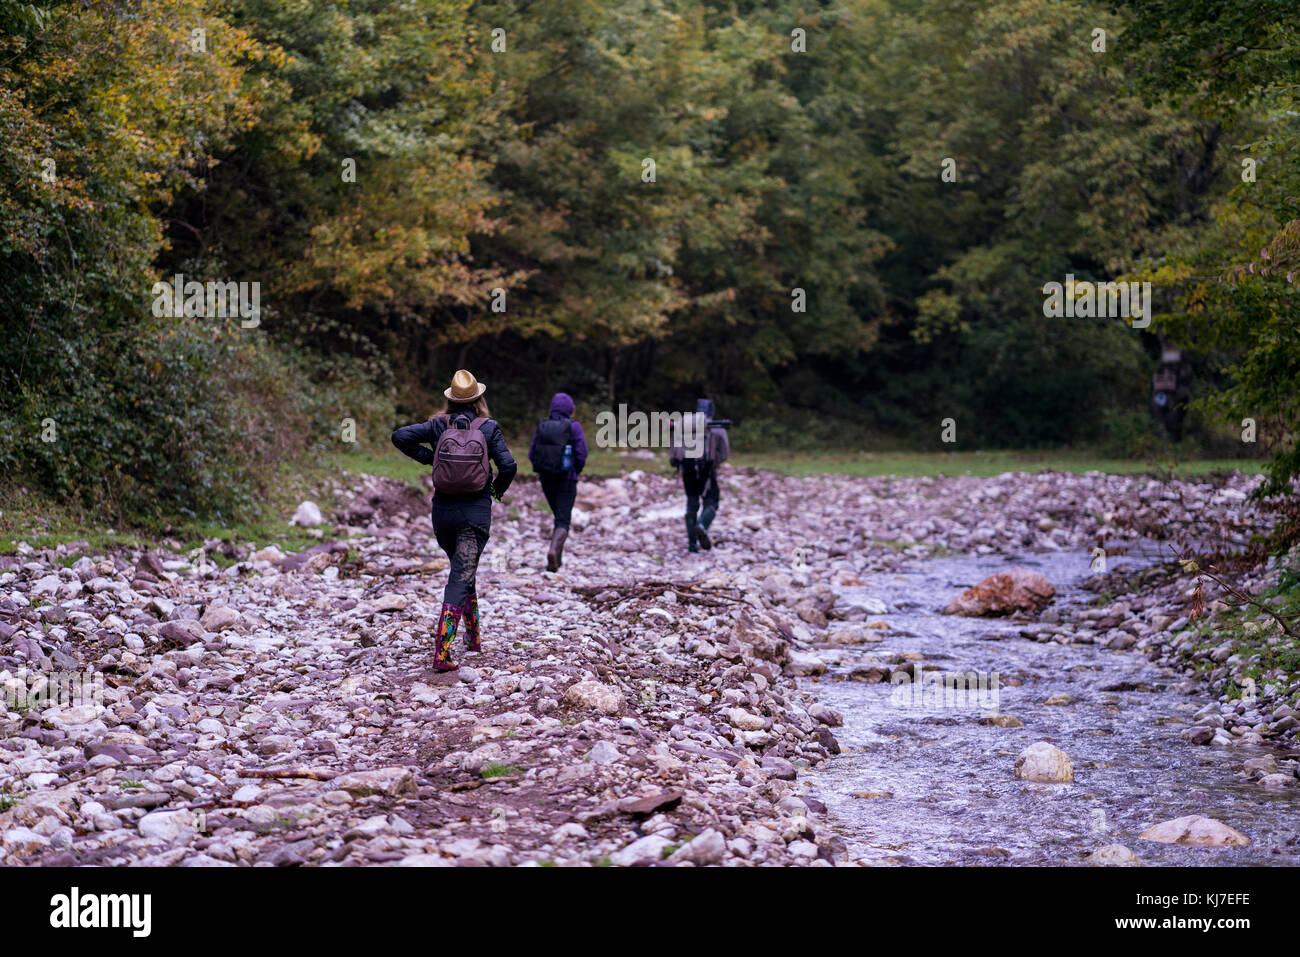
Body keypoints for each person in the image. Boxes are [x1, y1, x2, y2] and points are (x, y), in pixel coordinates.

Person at [391, 369, 516, 672]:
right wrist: (494, 490)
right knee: (460, 576)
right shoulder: (489, 428)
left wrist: (429, 458)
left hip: (443, 515)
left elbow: (400, 436)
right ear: (478, 399)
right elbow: (509, 466)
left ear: (450, 399)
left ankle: (473, 638)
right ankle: (442, 653)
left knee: (463, 569)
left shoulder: (438, 425)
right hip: (474, 515)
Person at [528, 392, 588, 571]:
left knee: (558, 516)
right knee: (563, 520)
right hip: (566, 479)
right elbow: (581, 454)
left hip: (546, 478)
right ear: (570, 409)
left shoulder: (543, 425)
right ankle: (554, 552)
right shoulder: (573, 427)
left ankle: (557, 560)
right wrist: (575, 471)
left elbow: (532, 453)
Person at [669, 398, 729, 553]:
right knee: (711, 500)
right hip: (706, 468)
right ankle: (702, 525)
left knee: (691, 504)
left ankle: (692, 545)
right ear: (711, 413)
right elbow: (724, 453)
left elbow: (673, 450)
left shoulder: (683, 426)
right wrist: (714, 462)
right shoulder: (716, 427)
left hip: (687, 467)